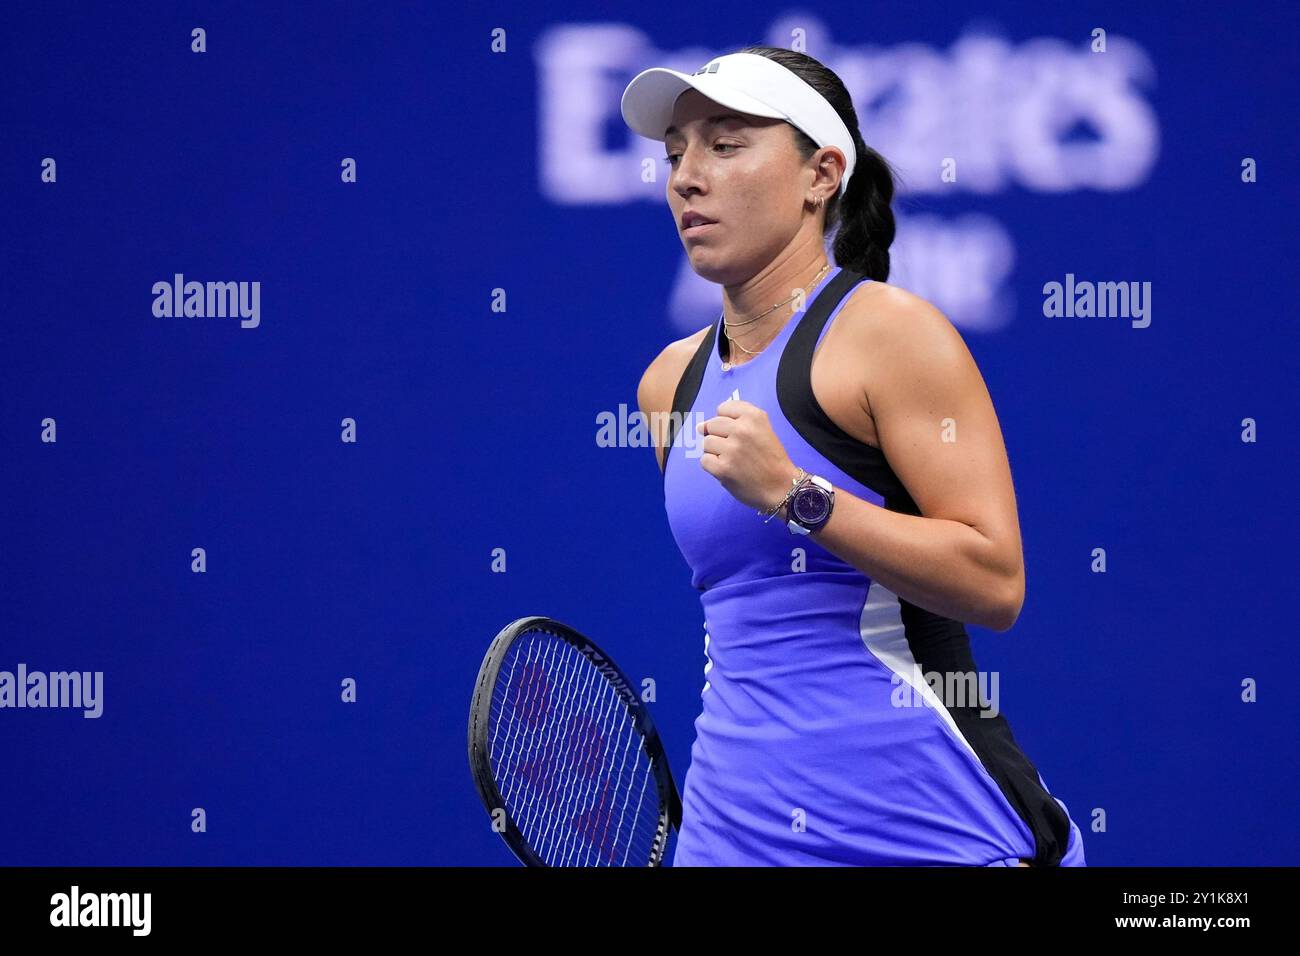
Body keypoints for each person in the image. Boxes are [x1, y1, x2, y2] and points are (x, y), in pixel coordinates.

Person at [624, 46, 1086, 866]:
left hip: (930, 837)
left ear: (821, 174)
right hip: (731, 840)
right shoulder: (669, 384)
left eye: (725, 147)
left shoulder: (892, 337)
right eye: (674, 155)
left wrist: (799, 496)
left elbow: (995, 582)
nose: (687, 178)